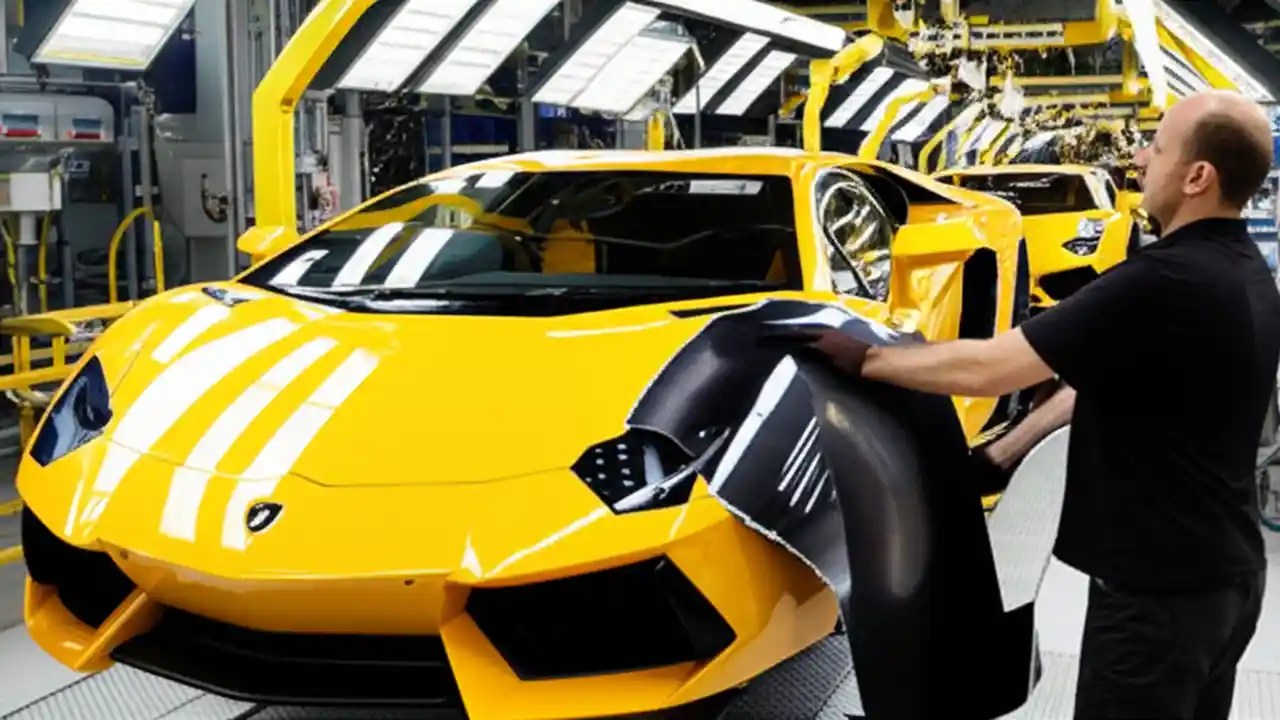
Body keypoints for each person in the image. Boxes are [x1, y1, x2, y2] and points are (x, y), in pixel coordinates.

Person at [804, 89, 1280, 720]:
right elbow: (1103, 380)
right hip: (1225, 583)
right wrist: (1004, 452)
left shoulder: (1163, 279)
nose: (1139, 158)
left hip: (1156, 600)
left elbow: (995, 366)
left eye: (1158, 147)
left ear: (1198, 176)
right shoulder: (1244, 272)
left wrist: (868, 359)